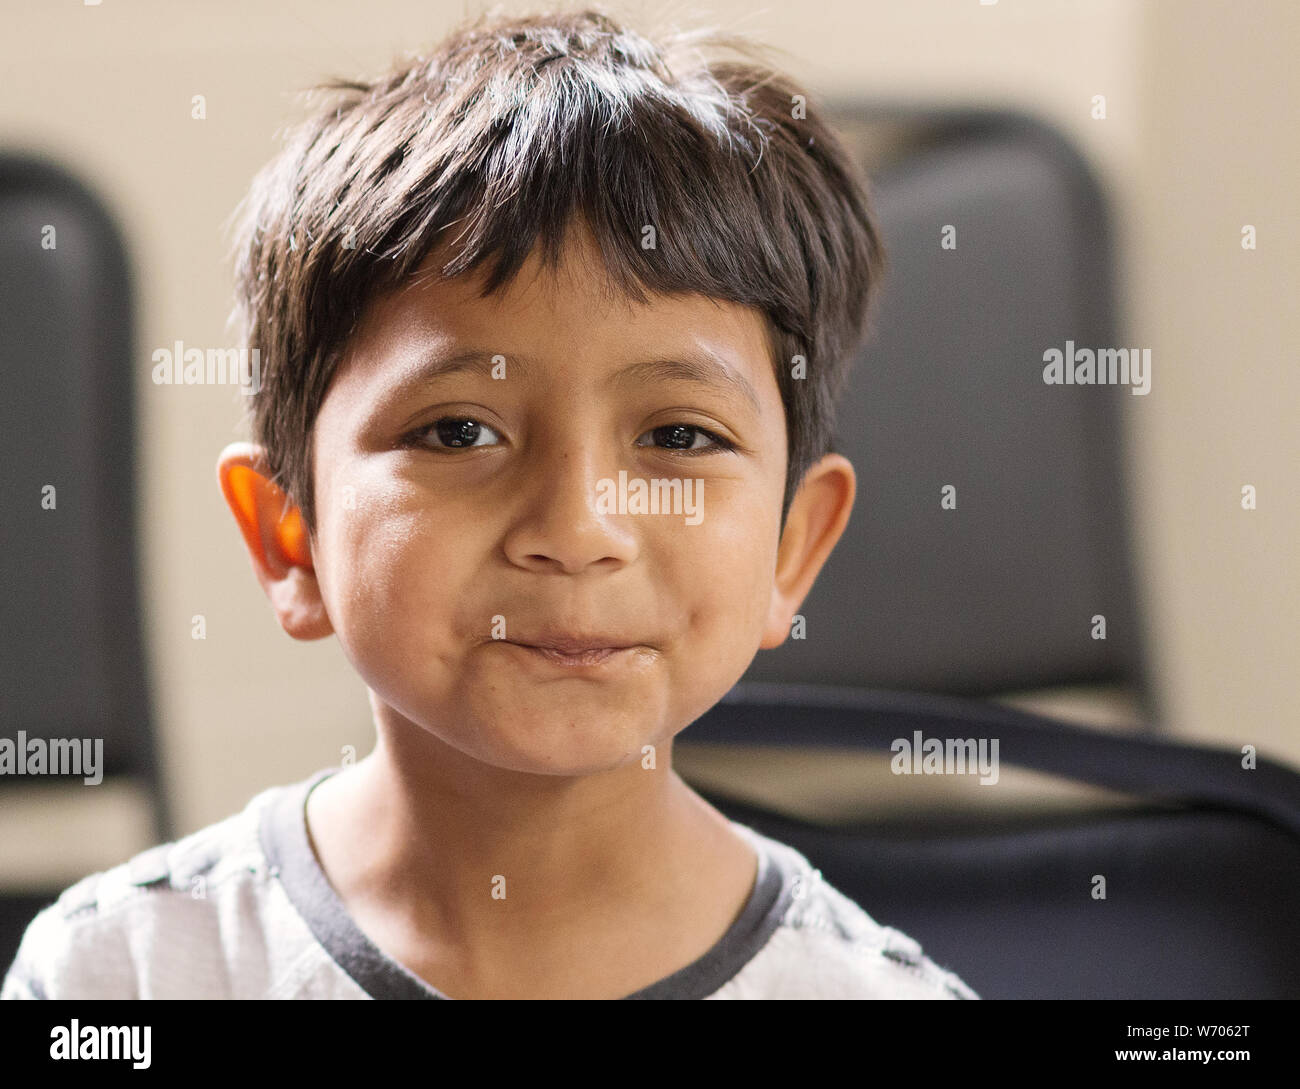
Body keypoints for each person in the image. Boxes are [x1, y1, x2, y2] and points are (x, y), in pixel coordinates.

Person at [2, 8, 976, 1000]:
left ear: (791, 550)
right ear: (288, 534)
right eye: (459, 432)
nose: (575, 529)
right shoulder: (118, 975)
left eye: (678, 436)